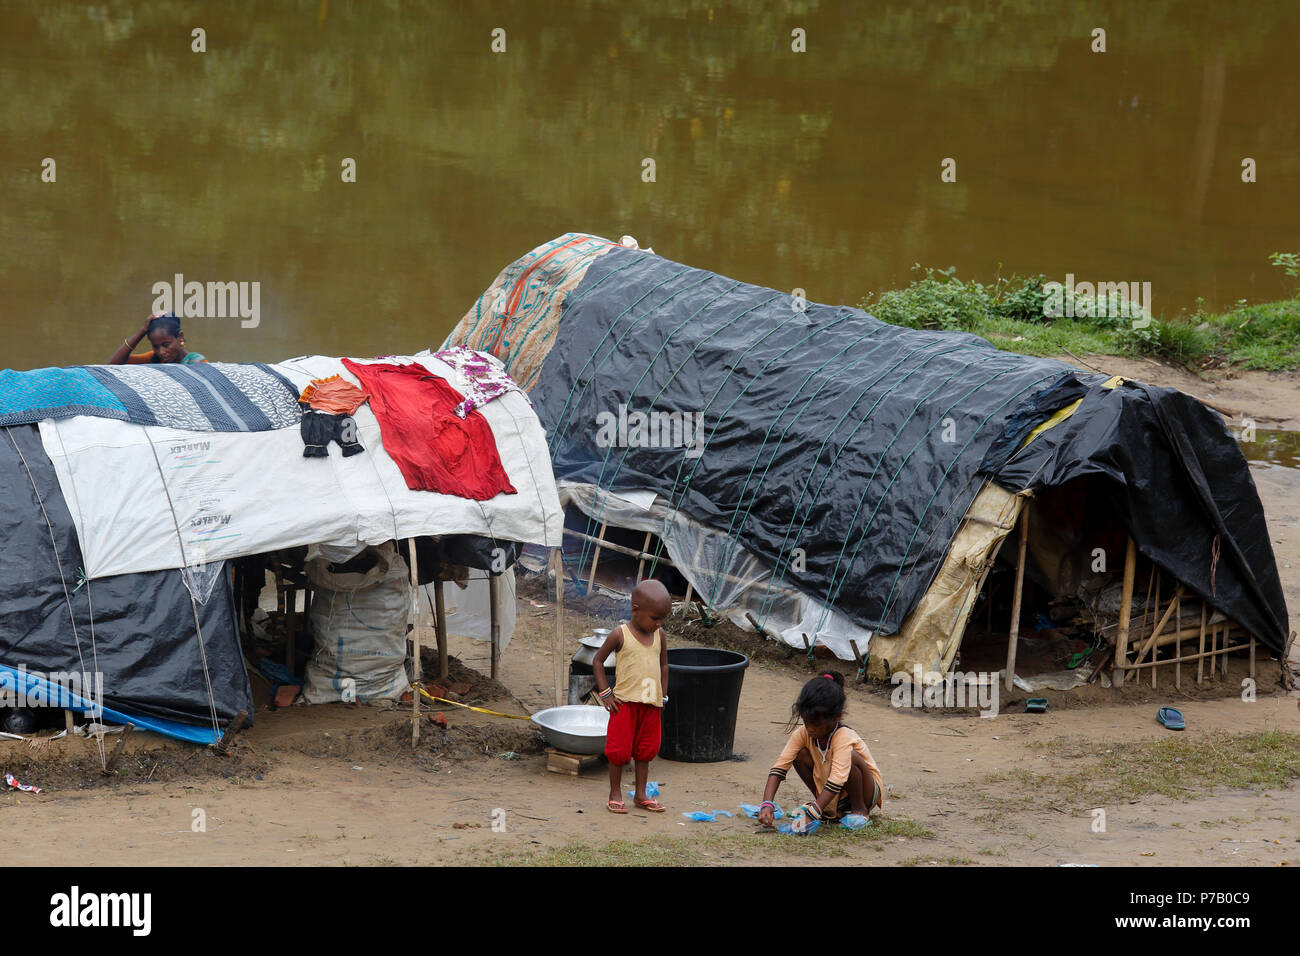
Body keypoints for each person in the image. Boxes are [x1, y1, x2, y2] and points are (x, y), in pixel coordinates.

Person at [757, 672, 883, 828]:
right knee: (799, 755)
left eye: (816, 725)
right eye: (806, 722)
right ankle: (827, 808)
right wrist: (767, 804)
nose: (810, 729)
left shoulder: (843, 736)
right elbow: (780, 767)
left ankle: (859, 811)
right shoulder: (803, 733)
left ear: (837, 717)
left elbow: (838, 778)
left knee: (851, 758)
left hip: (864, 792)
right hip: (834, 792)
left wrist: (811, 815)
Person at [592, 579, 670, 814]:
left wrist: (663, 697)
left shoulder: (660, 636)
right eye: (655, 618)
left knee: (646, 750)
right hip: (624, 705)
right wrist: (606, 694)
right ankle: (615, 794)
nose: (658, 623)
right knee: (619, 752)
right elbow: (598, 660)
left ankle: (641, 794)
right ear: (636, 610)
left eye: (662, 619)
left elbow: (664, 667)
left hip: (651, 706)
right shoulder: (620, 635)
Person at [109, 312, 206, 364]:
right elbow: (113, 365)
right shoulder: (154, 358)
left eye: (166, 345)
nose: (161, 352)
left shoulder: (196, 362)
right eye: (156, 346)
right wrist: (142, 331)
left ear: (180, 336)